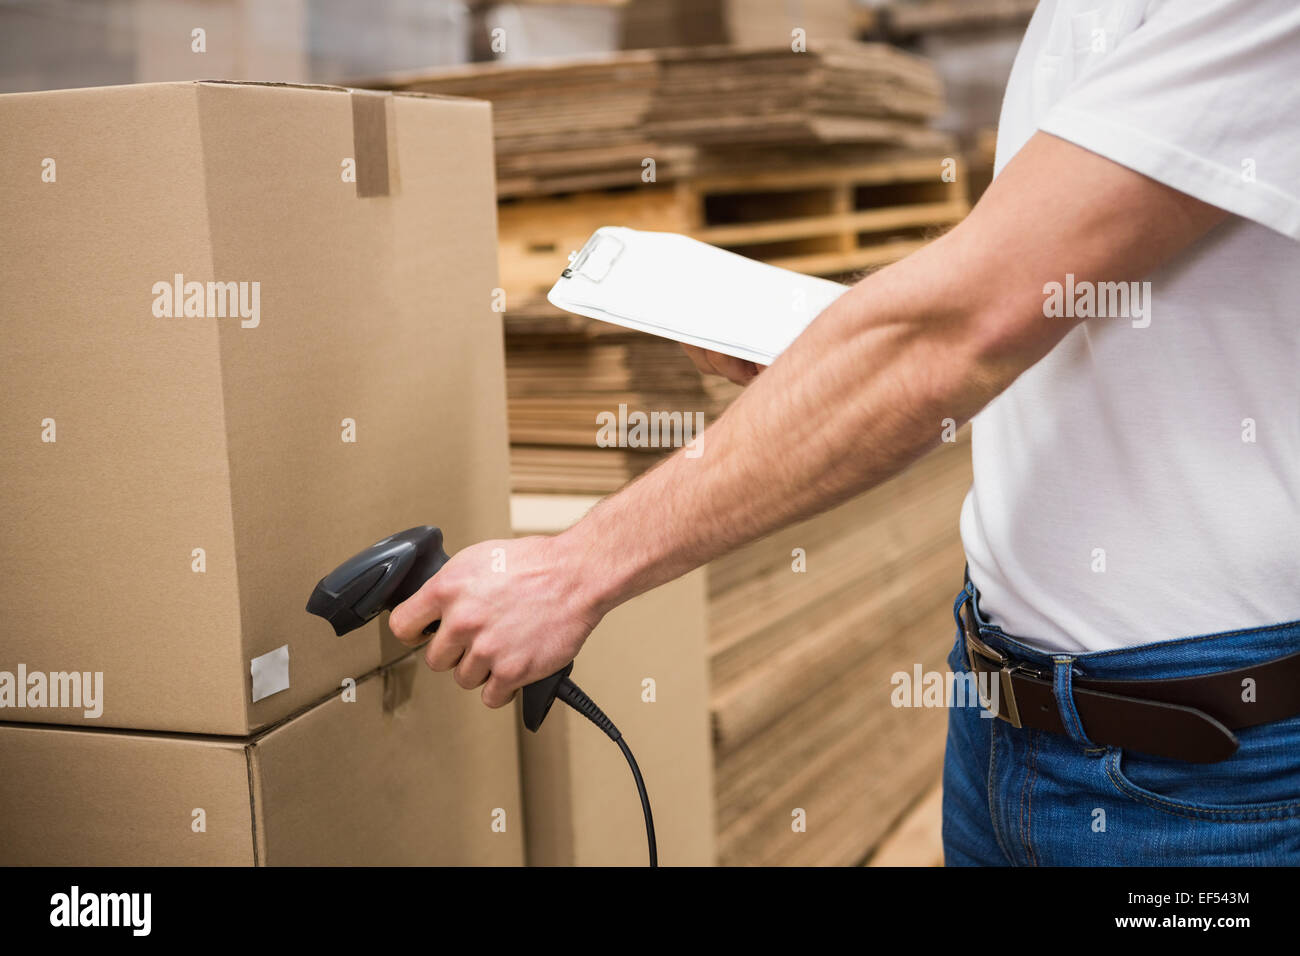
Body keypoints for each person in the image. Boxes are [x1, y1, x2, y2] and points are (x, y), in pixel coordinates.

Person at [389, 0, 1300, 865]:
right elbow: (1047, 288)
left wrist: (574, 569)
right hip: (1001, 698)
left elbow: (968, 324)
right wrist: (823, 353)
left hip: (1201, 767)